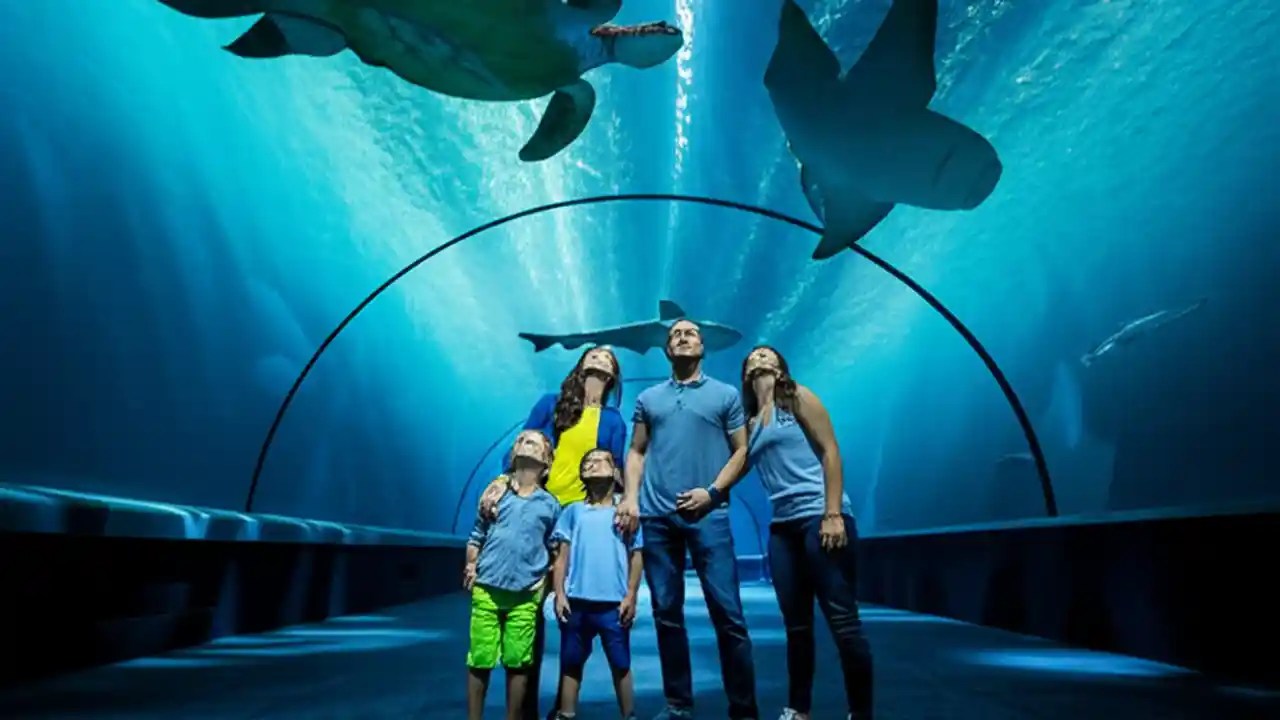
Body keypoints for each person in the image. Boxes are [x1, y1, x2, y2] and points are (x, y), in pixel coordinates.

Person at [614, 318, 760, 720]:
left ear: (702, 347)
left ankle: (744, 710)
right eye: (675, 334)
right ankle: (678, 703)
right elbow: (637, 452)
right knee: (666, 613)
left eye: (691, 333)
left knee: (728, 614)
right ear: (666, 349)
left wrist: (711, 493)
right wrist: (631, 499)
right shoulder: (648, 398)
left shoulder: (725, 395)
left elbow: (742, 451)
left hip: (710, 515)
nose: (682, 336)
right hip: (658, 518)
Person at [478, 345, 628, 719]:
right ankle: (523, 709)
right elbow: (520, 449)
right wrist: (500, 482)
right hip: (537, 513)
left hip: (578, 523)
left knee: (571, 616)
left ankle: (564, 707)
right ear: (581, 364)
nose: (600, 358)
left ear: (613, 374)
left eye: (608, 357)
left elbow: (617, 472)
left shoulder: (613, 420)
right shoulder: (551, 402)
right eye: (594, 354)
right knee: (526, 612)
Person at [740, 345, 873, 720]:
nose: (760, 358)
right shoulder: (751, 423)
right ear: (746, 371)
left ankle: (861, 713)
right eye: (753, 356)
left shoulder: (795, 395)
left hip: (820, 515)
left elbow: (830, 450)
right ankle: (799, 710)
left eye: (768, 354)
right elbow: (736, 467)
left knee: (843, 621)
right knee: (796, 626)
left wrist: (832, 513)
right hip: (782, 528)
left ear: (781, 365)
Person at [464, 430, 563, 720]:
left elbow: (554, 547)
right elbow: (476, 536)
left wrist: (550, 585)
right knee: (480, 658)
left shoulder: (550, 505)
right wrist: (471, 564)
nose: (523, 443)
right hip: (486, 587)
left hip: (526, 594)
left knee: (518, 661)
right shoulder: (493, 496)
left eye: (533, 441)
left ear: (547, 461)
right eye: (519, 440)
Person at [549, 448, 644, 720]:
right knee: (571, 662)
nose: (592, 464)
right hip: (577, 603)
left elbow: (637, 554)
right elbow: (561, 558)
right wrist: (559, 594)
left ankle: (629, 714)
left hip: (613, 606)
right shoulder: (572, 512)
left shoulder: (625, 512)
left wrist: (631, 595)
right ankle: (566, 713)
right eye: (587, 462)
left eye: (600, 460)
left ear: (615, 472)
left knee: (620, 662)